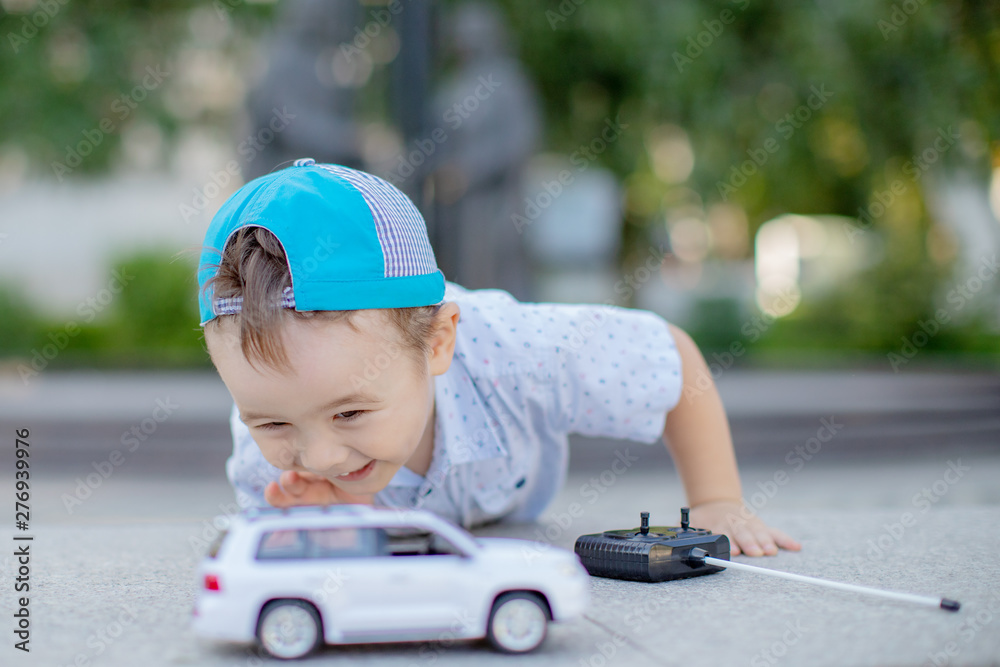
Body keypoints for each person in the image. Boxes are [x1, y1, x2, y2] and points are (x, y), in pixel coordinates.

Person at [196, 159, 800, 557]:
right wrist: (329, 529)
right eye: (272, 422)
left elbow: (672, 360)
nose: (318, 455)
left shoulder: (517, 352)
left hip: (514, 501)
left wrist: (716, 500)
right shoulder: (269, 464)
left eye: (351, 413)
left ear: (438, 342)